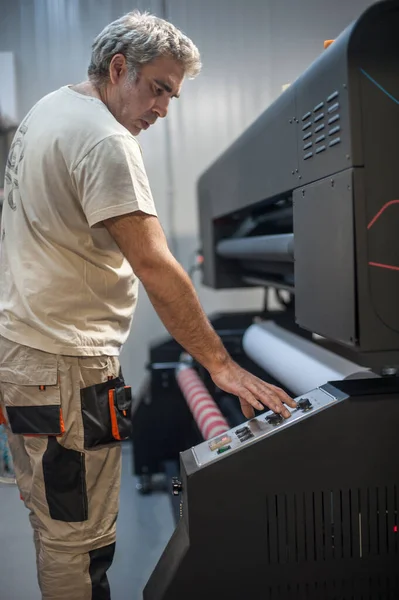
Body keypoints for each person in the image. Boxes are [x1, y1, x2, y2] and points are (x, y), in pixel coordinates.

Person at [0, 10, 296, 600]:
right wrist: (222, 365)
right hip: (65, 371)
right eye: (158, 88)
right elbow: (157, 267)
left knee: (56, 523)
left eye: (173, 95)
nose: (163, 109)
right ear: (118, 69)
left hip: (27, 356)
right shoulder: (106, 141)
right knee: (77, 540)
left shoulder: (50, 109)